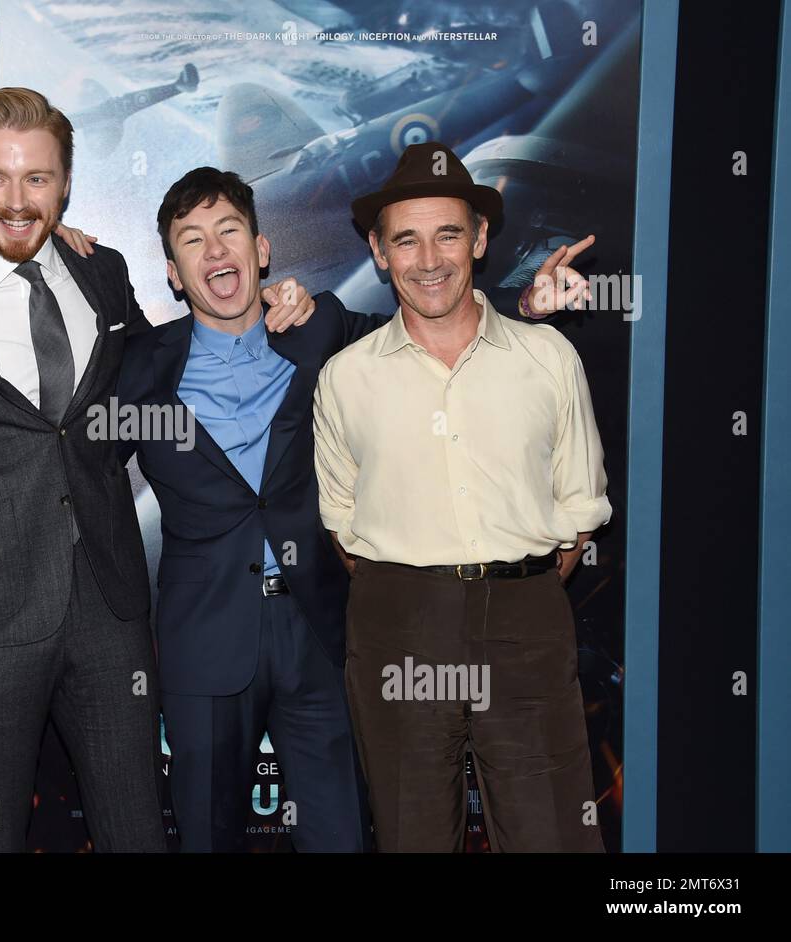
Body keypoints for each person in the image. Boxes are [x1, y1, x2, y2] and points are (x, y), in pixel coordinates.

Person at [0, 88, 315, 852]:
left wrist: (283, 305)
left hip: (113, 607)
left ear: (64, 183)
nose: (18, 202)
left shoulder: (103, 274)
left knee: (136, 831)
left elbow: (172, 367)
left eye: (38, 180)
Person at [115, 166, 580, 852]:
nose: (215, 252)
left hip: (325, 636)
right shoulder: (137, 366)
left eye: (229, 232)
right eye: (192, 241)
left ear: (262, 249)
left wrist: (527, 303)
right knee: (204, 839)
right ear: (174, 273)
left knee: (342, 836)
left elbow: (434, 322)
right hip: (205, 639)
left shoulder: (323, 327)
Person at [312, 141, 610, 852]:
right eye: (405, 239)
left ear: (478, 239)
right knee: (412, 834)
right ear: (379, 253)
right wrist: (423, 588)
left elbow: (580, 506)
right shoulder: (346, 378)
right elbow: (344, 528)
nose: (429, 258)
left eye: (448, 233)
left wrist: (515, 584)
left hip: (528, 625)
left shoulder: (548, 358)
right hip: (396, 626)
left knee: (555, 836)